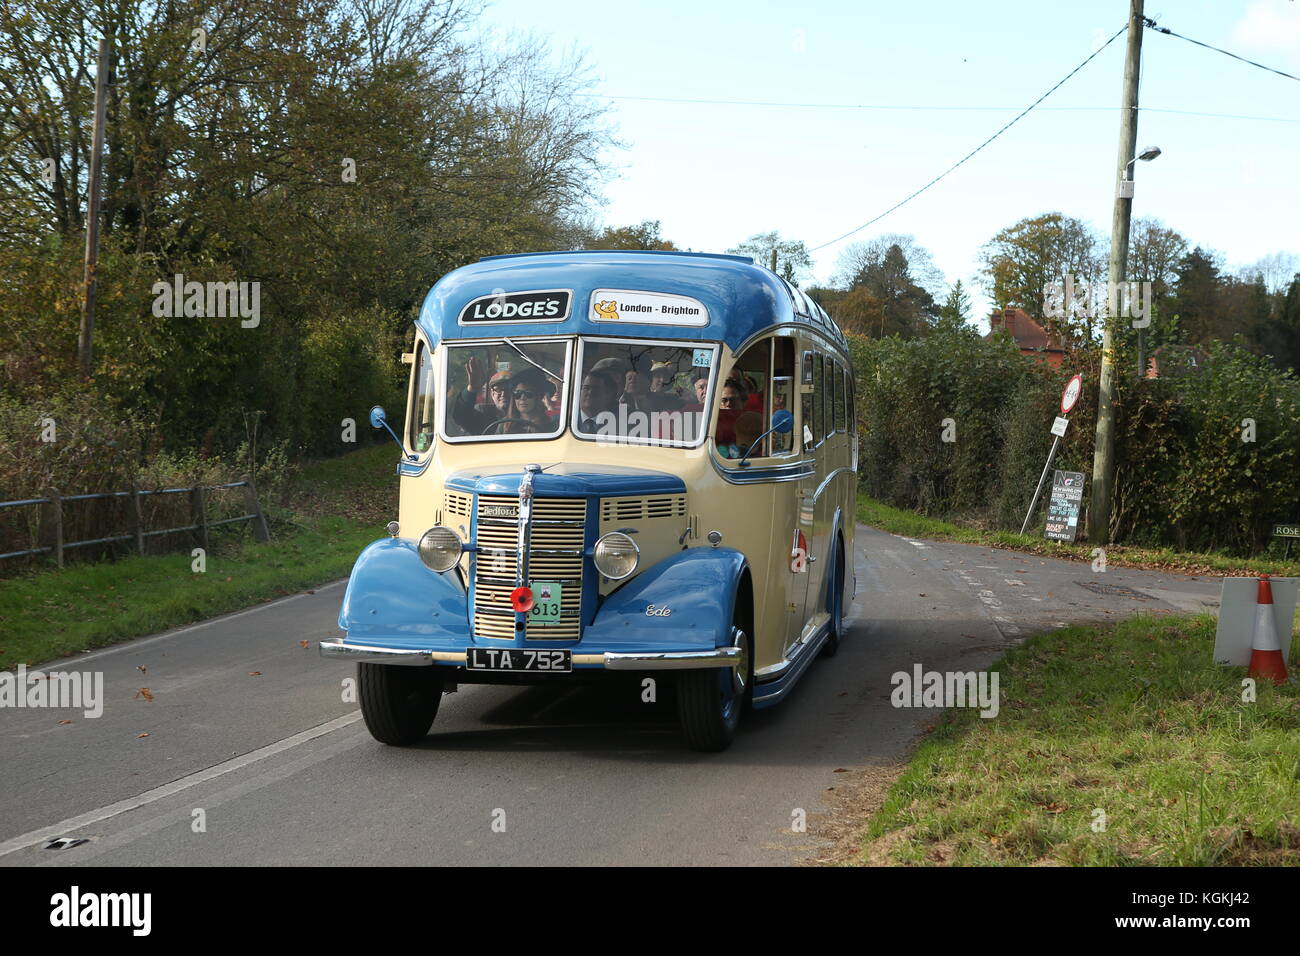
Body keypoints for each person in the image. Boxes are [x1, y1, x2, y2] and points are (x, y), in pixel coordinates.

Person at [500, 367, 554, 434]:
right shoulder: (504, 425)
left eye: (528, 393)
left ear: (538, 397)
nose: (522, 398)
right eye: (518, 394)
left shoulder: (551, 425)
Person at [576, 369, 618, 434]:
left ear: (608, 394)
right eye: (586, 388)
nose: (590, 392)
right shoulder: (558, 423)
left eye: (596, 389)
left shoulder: (622, 427)